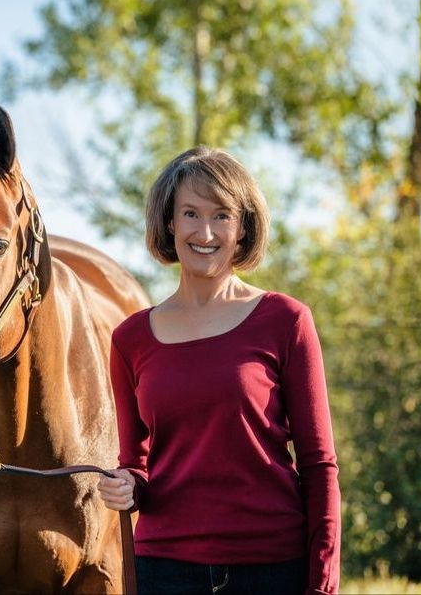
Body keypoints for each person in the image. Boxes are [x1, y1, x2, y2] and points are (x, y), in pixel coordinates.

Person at [98, 147, 341, 594]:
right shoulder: (130, 339)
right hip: (164, 568)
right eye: (190, 213)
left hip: (271, 567)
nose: (204, 232)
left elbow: (319, 464)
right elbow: (137, 465)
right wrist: (126, 487)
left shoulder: (285, 320)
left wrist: (322, 583)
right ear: (169, 222)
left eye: (222, 215)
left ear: (243, 227)